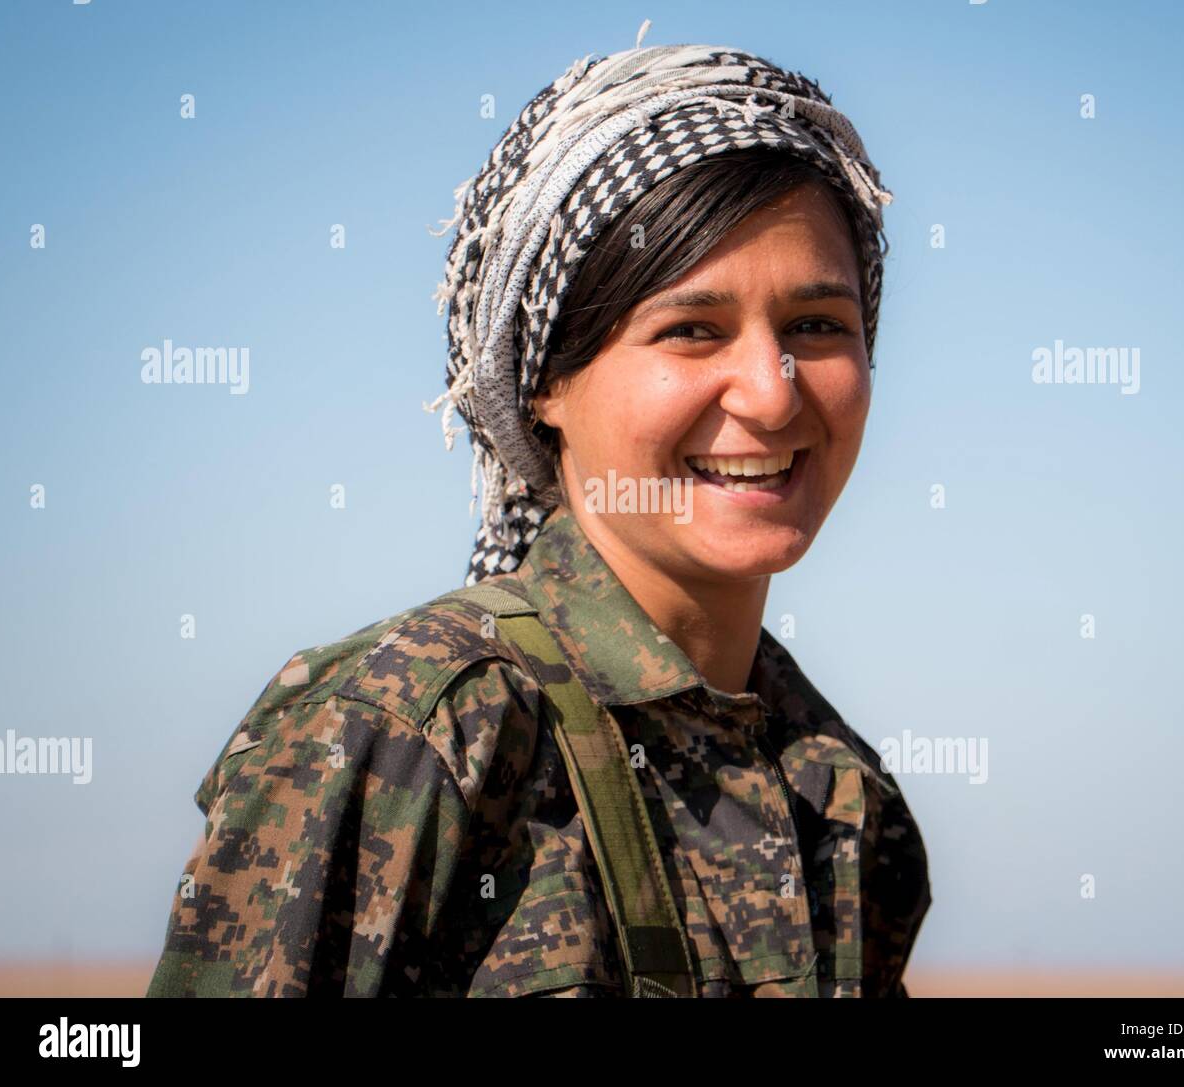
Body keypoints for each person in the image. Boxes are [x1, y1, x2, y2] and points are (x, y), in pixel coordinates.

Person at [146, 27, 931, 998]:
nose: (772, 395)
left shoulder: (838, 793)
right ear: (545, 384)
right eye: (692, 329)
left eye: (816, 326)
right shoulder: (415, 733)